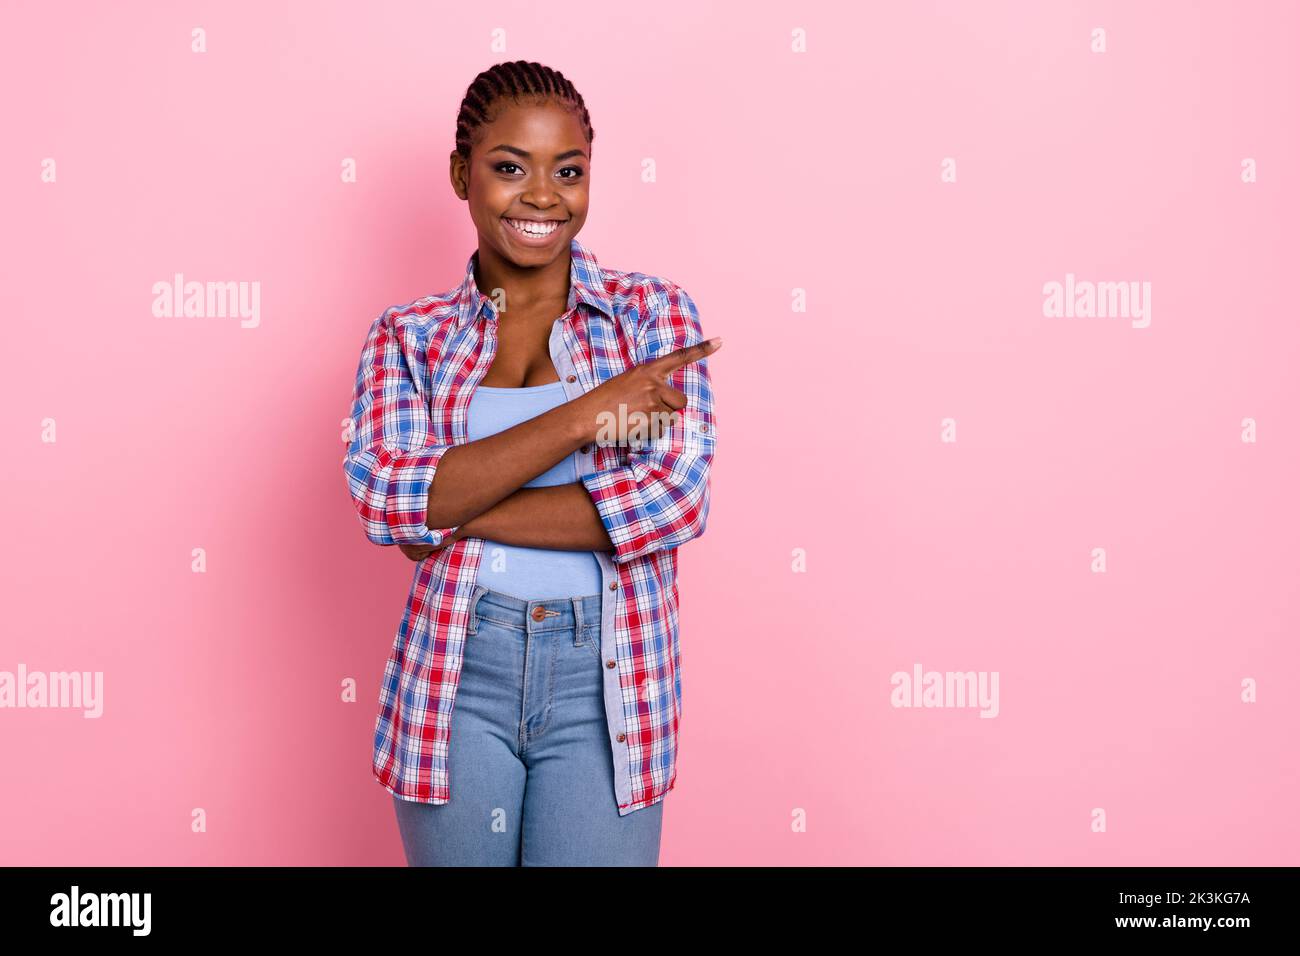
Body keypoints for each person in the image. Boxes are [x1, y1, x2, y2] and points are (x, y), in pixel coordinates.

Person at [341, 60, 721, 866]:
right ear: (461, 175)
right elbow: (384, 497)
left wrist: (448, 508)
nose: (543, 195)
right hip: (456, 670)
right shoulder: (409, 336)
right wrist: (587, 412)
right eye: (510, 167)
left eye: (569, 171)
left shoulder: (651, 317)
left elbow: (673, 504)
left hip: (608, 680)